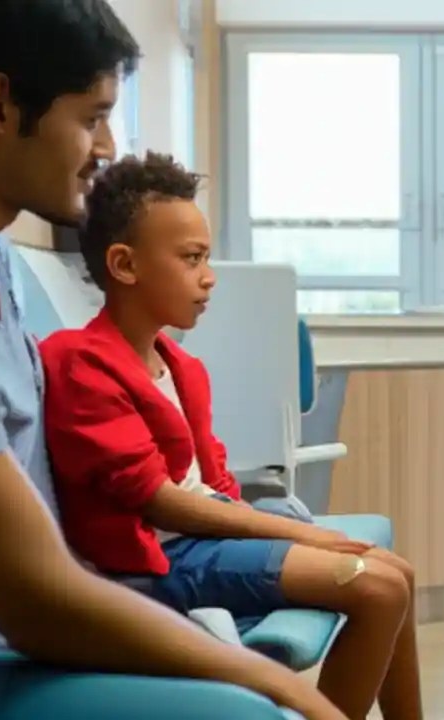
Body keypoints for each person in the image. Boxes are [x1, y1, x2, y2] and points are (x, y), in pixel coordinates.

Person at [0, 2, 344, 718]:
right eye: (91, 117)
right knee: (247, 711)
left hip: (14, 636)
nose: (106, 146)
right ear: (0, 104)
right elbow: (38, 602)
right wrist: (268, 680)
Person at [39, 151, 424, 720]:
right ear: (124, 265)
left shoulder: (180, 367)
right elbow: (161, 503)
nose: (209, 276)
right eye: (191, 258)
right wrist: (309, 539)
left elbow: (214, 482)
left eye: (207, 257)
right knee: (378, 589)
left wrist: (288, 534)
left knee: (401, 575)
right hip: (154, 569)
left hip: (202, 548)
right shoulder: (80, 362)